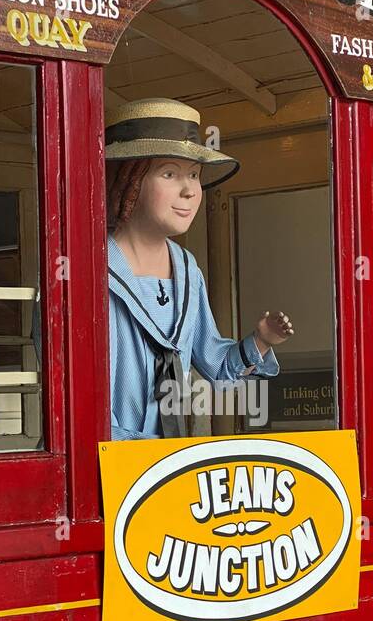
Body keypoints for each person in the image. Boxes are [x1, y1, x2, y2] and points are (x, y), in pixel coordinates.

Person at [105, 98, 293, 440]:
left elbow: (219, 370)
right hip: (104, 472)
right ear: (129, 181)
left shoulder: (187, 270)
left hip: (170, 469)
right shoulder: (85, 270)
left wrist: (261, 342)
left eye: (194, 174)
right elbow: (71, 405)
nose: (190, 190)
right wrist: (141, 453)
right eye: (169, 173)